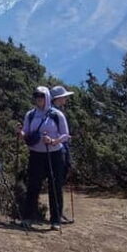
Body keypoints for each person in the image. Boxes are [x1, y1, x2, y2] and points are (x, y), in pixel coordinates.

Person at [19, 86, 70, 231]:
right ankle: (28, 217)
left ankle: (56, 219)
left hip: (54, 153)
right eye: (36, 97)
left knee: (55, 186)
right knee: (33, 186)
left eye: (41, 97)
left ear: (47, 97)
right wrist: (21, 133)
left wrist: (54, 141)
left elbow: (65, 135)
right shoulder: (30, 115)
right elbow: (26, 132)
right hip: (36, 154)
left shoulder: (56, 115)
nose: (38, 100)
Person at [50, 85, 75, 225]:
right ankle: (57, 214)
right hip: (60, 150)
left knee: (57, 183)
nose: (66, 99)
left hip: (60, 149)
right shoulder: (56, 113)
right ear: (58, 99)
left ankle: (58, 213)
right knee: (57, 183)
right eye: (64, 97)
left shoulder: (54, 112)